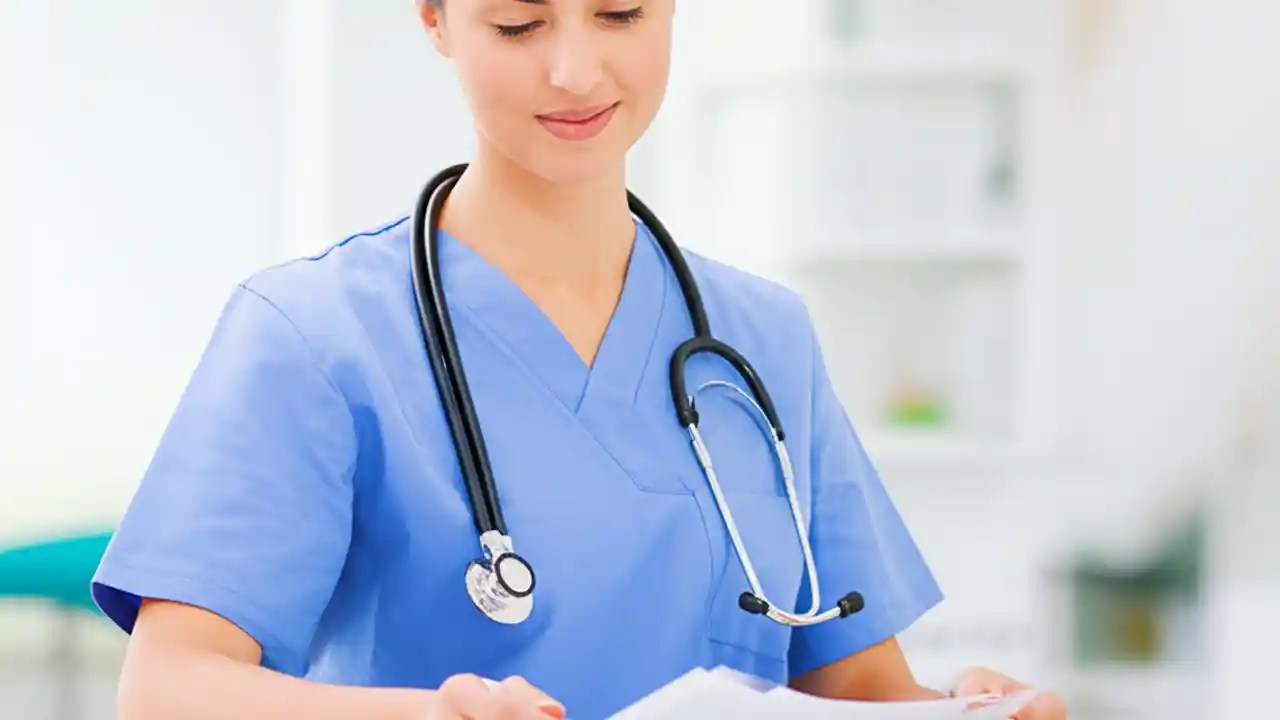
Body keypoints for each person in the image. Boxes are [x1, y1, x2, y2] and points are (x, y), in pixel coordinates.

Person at [92, 1, 1068, 718]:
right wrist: (432, 717)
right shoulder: (310, 334)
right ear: (433, 17)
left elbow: (851, 682)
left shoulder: (760, 341)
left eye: (619, 13)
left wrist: (956, 710)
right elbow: (169, 691)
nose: (573, 69)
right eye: (518, 25)